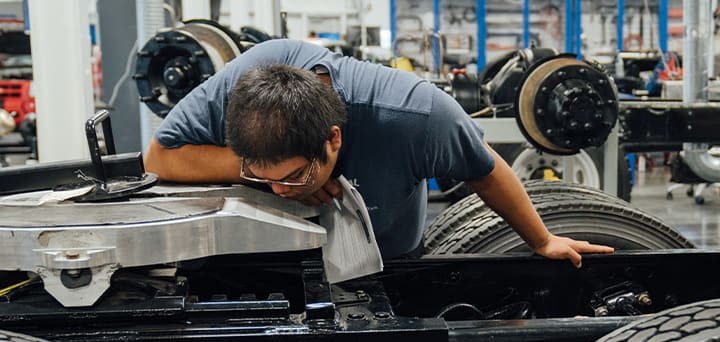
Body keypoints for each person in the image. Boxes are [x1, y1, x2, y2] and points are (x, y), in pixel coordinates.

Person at [144, 39, 613, 267]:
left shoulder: (418, 117)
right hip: (269, 263)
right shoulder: (244, 82)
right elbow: (159, 159)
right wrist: (249, 175)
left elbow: (486, 171)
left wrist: (541, 240)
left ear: (333, 140)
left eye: (290, 177)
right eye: (263, 176)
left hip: (387, 262)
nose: (277, 191)